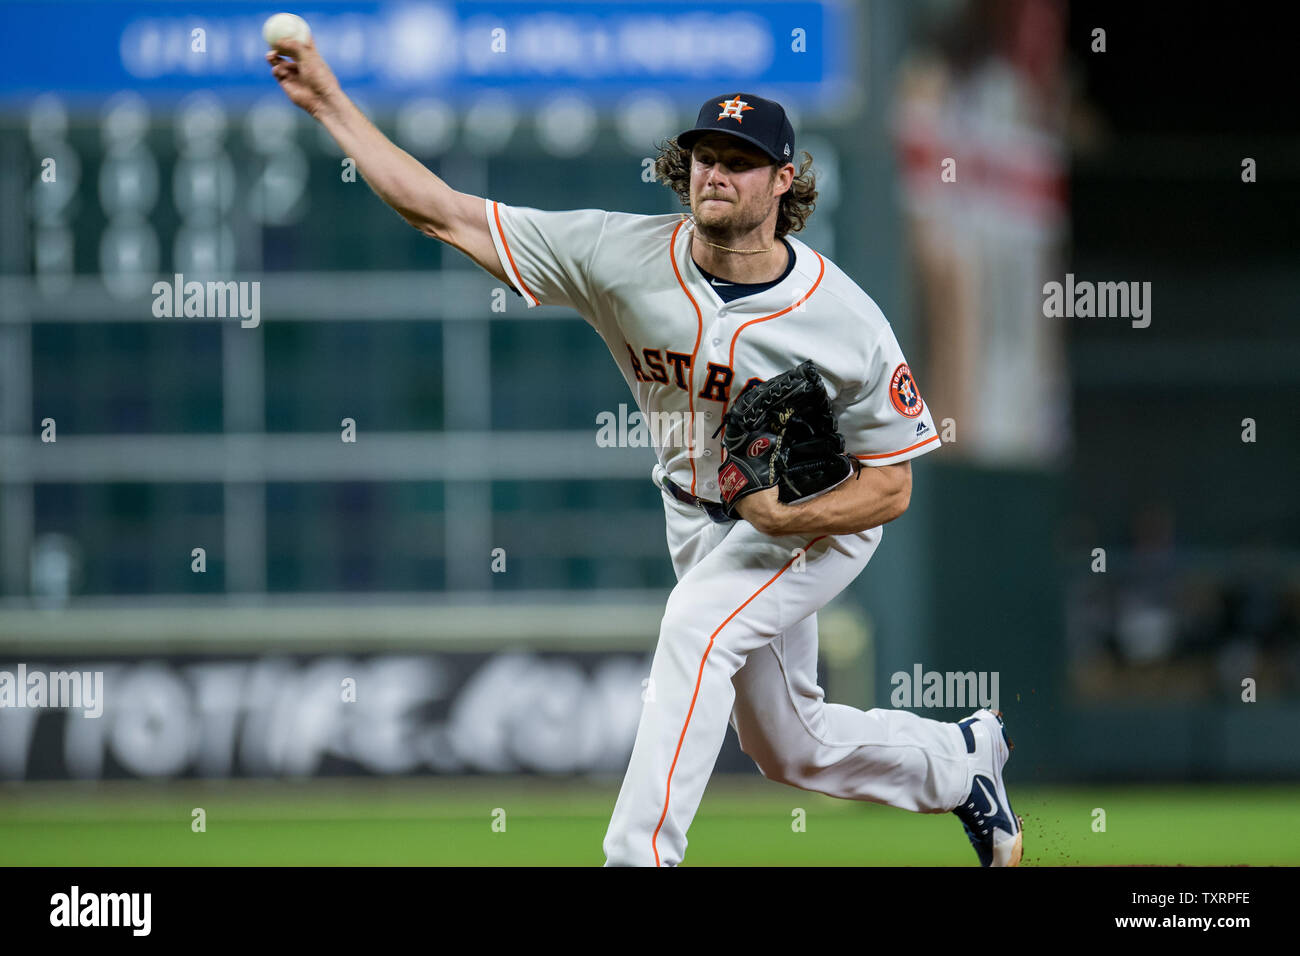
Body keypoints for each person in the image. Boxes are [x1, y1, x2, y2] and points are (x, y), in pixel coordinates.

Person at [266, 37, 1022, 868]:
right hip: (698, 515)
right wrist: (329, 102)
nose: (716, 173)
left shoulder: (846, 320)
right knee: (789, 748)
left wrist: (786, 512)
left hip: (819, 522)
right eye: (704, 156)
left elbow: (892, 489)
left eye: (742, 160)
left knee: (695, 626)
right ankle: (961, 767)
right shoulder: (618, 256)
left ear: (784, 182)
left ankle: (639, 857)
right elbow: (442, 211)